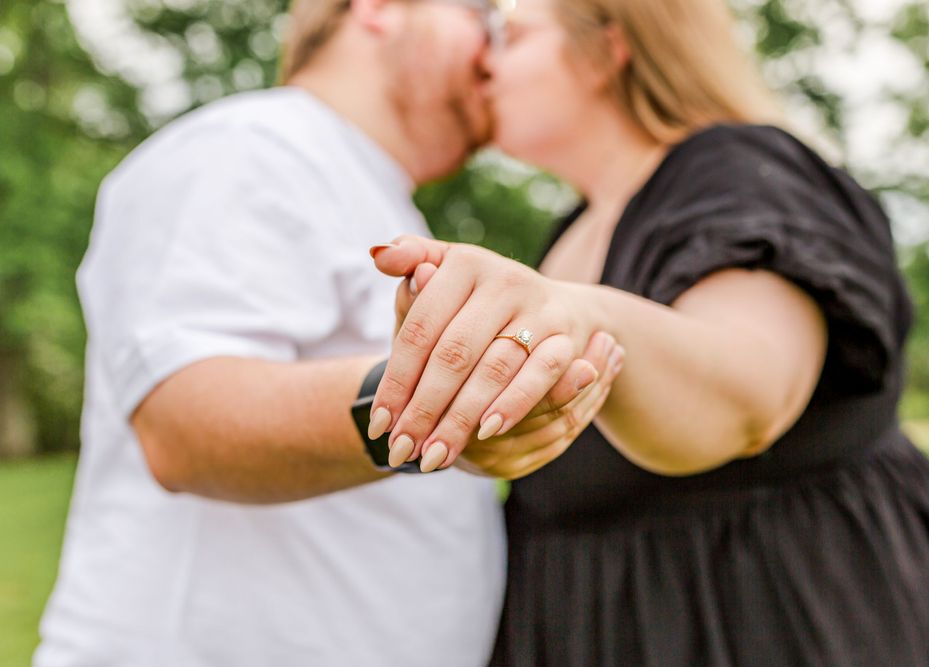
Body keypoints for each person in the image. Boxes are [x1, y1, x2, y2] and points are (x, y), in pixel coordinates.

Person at [367, 0, 929, 663]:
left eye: (512, 35)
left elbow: (749, 391)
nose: (483, 59)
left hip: (781, 621)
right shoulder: (576, 226)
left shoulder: (737, 169)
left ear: (608, 51)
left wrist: (592, 321)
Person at [33, 0, 621, 664]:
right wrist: (433, 404)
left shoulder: (364, 192)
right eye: (480, 16)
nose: (494, 54)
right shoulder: (247, 146)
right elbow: (185, 422)